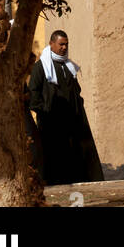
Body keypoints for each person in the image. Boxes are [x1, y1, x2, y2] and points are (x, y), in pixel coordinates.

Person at [28, 30, 102, 185]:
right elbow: (33, 98)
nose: (64, 48)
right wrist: (48, 112)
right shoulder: (40, 68)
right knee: (55, 160)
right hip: (51, 126)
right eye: (61, 44)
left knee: (75, 159)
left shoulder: (69, 67)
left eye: (66, 45)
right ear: (51, 44)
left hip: (72, 123)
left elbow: (76, 92)